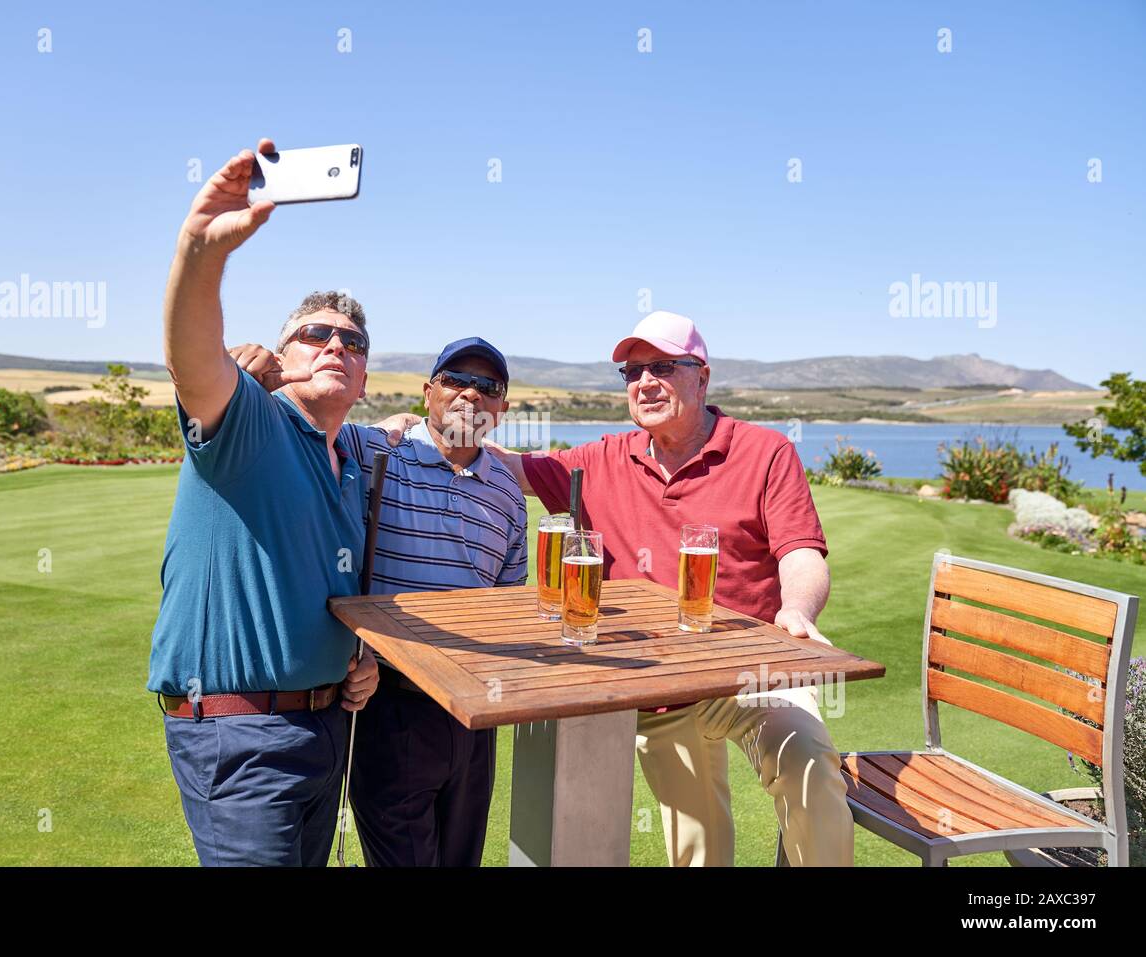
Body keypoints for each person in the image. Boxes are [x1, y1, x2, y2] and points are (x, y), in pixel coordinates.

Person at [380, 310, 854, 867]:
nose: (645, 382)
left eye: (662, 368)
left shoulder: (765, 451)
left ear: (702, 377)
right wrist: (413, 425)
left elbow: (801, 552)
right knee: (698, 845)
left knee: (806, 764)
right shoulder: (600, 460)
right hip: (658, 688)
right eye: (632, 372)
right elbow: (497, 461)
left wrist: (797, 609)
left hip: (752, 674)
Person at [147, 137, 380, 867]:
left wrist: (357, 658)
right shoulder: (248, 418)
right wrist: (201, 251)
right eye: (315, 334)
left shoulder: (353, 462)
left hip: (324, 728)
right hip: (239, 738)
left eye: (353, 341)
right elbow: (193, 359)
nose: (336, 345)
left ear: (365, 379)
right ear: (281, 356)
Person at [229, 336, 528, 866]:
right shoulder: (372, 451)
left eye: (488, 386)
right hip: (389, 704)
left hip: (473, 713)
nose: (471, 394)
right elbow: (298, 428)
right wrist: (254, 384)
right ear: (428, 392)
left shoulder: (507, 492)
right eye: (456, 380)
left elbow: (506, 608)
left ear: (501, 408)